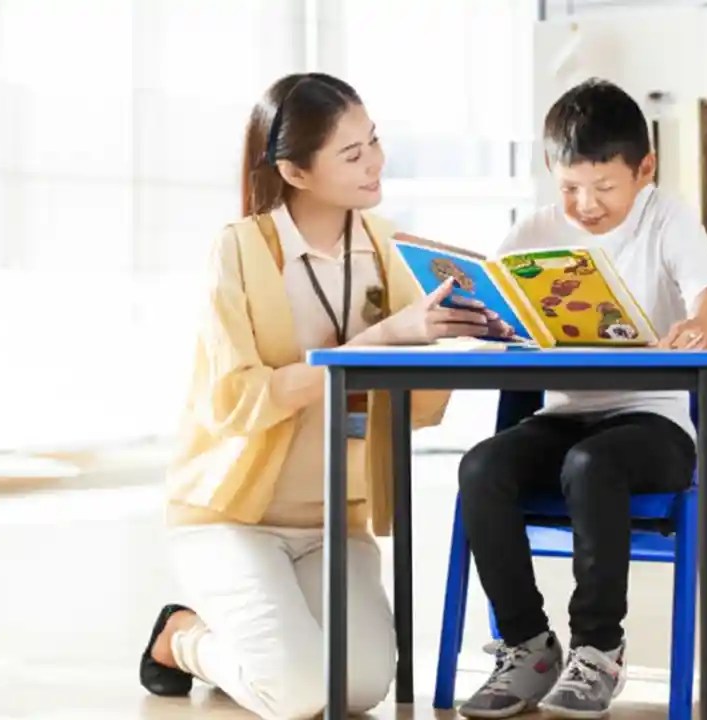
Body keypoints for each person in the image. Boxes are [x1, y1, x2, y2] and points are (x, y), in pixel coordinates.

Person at [136, 72, 506, 720]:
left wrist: (460, 334)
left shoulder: (387, 247)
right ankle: (184, 638)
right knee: (302, 693)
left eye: (375, 142)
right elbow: (236, 399)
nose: (376, 163)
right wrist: (384, 338)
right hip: (233, 517)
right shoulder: (241, 250)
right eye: (352, 152)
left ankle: (243, 646)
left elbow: (416, 408)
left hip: (336, 519)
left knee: (360, 688)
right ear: (297, 172)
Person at [456, 77, 707, 720]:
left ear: (644, 168)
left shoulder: (666, 217)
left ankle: (598, 650)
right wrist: (489, 321)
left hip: (654, 424)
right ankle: (528, 646)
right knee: (481, 466)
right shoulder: (536, 230)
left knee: (593, 465)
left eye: (604, 188)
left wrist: (701, 326)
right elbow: (493, 301)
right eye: (569, 188)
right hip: (566, 417)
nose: (585, 205)